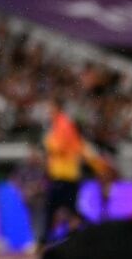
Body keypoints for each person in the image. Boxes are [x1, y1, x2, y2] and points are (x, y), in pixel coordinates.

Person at [40, 98, 86, 244]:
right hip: (61, 174)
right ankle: (75, 236)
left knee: (55, 207)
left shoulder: (63, 124)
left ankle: (46, 241)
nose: (47, 112)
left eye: (49, 108)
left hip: (66, 174)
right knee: (66, 208)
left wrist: (48, 143)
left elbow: (60, 147)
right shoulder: (57, 124)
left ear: (57, 108)